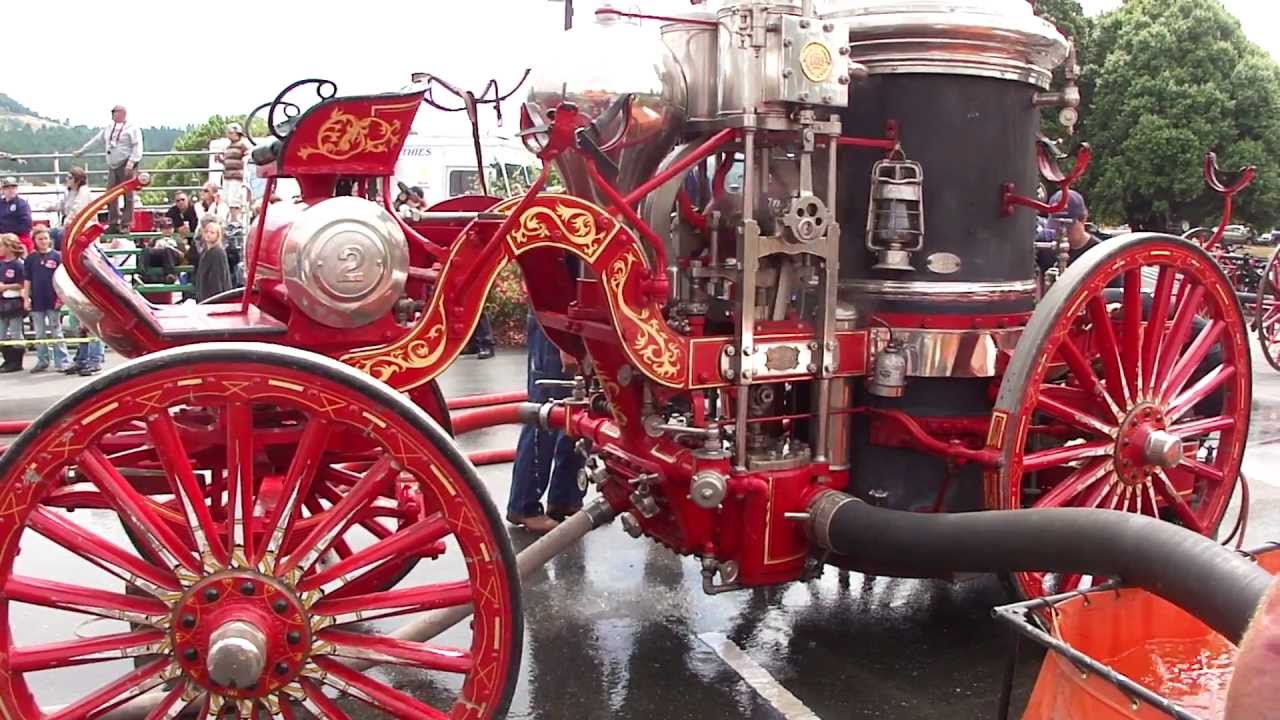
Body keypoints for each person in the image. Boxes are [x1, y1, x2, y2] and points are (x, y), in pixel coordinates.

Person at [507, 314, 585, 534]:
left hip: (577, 325)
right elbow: (556, 287)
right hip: (559, 324)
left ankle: (564, 498)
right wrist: (565, 342)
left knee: (579, 409)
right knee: (545, 414)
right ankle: (524, 505)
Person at [73, 105, 143, 234]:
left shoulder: (132, 128)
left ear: (122, 113)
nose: (112, 114)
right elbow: (96, 141)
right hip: (113, 165)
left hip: (126, 164)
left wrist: (132, 162)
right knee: (110, 195)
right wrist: (82, 151)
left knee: (128, 195)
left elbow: (137, 146)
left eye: (114, 112)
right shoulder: (108, 128)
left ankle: (126, 224)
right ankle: (113, 222)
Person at [22, 227, 70, 372]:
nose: (43, 241)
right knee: (40, 332)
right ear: (35, 241)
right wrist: (26, 298)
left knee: (56, 330)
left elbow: (63, 278)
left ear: (49, 239)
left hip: (53, 297)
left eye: (45, 238)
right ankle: (42, 360)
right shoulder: (31, 258)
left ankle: (62, 360)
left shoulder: (57, 256)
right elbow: (27, 280)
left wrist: (61, 297)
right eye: (39, 239)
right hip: (37, 299)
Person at [1036, 189, 1099, 275]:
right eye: (1055, 226)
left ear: (1083, 218)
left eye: (1066, 226)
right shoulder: (1045, 244)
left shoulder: (1100, 254)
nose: (1061, 232)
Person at [0, 234, 27, 372]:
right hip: (2, 301)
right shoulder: (1, 264)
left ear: (9, 247)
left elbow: (23, 283)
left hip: (14, 301)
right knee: (2, 333)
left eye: (2, 246)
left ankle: (17, 361)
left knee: (16, 332)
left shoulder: (19, 264)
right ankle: (7, 359)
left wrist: (6, 287)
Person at [218, 123, 251, 225]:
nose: (228, 134)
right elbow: (228, 162)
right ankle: (232, 220)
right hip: (228, 175)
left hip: (236, 176)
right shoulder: (228, 146)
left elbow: (248, 154)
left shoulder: (242, 144)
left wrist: (244, 161)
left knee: (234, 198)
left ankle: (235, 220)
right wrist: (221, 160)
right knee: (227, 198)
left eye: (231, 132)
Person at [53, 167, 92, 250]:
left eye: (70, 178)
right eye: (67, 177)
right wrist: (50, 207)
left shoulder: (83, 191)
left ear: (78, 180)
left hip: (81, 225)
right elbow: (62, 205)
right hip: (70, 225)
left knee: (59, 235)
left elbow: (77, 210)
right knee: (52, 233)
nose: (67, 179)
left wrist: (65, 224)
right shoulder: (69, 191)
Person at [194, 221, 232, 302]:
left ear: (217, 235)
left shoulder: (217, 252)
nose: (208, 234)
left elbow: (217, 278)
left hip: (214, 296)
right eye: (207, 232)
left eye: (212, 232)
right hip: (204, 295)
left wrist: (215, 299)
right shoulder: (205, 251)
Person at [141, 217, 181, 284]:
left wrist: (171, 248)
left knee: (168, 250)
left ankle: (170, 275)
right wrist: (157, 248)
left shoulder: (178, 239)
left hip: (172, 260)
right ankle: (142, 274)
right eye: (165, 228)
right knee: (146, 250)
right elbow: (149, 250)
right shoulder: (155, 239)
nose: (167, 230)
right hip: (158, 260)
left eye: (170, 228)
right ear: (161, 229)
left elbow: (183, 255)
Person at [0, 178, 33, 253]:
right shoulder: (1, 204)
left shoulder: (22, 204)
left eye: (13, 187)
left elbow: (26, 225)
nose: (10, 190)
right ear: (3, 190)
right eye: (7, 188)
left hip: (18, 236)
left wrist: (9, 234)